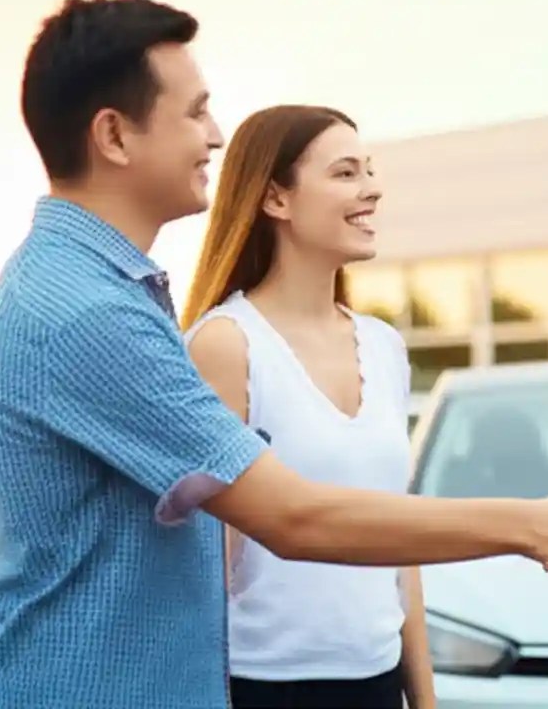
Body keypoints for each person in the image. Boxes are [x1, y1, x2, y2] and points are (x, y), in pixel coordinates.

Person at [0, 0, 548, 708]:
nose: (217, 135)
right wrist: (533, 527)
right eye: (195, 112)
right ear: (114, 135)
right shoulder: (86, 313)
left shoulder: (91, 289)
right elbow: (293, 518)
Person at [178, 105, 430, 709]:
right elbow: (203, 563)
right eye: (346, 173)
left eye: (368, 170)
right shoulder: (224, 344)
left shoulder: (384, 345)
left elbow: (403, 541)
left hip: (376, 680)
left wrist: (422, 698)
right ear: (276, 199)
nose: (373, 188)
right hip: (260, 686)